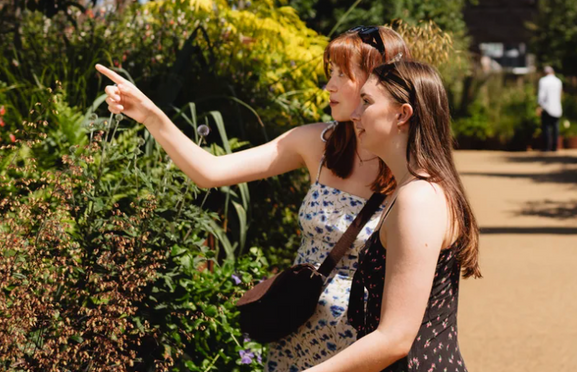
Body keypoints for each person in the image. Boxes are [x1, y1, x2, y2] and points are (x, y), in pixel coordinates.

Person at [96, 25, 408, 371]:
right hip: (294, 339)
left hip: (359, 354)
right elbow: (210, 172)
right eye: (330, 73)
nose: (329, 86)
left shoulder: (412, 174)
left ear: (377, 83)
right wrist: (150, 115)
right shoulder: (315, 142)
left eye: (342, 75)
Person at [306, 60, 481, 372]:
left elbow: (396, 337)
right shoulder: (417, 189)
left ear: (402, 114)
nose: (355, 114)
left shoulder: (418, 199)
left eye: (367, 102)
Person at [536, 65, 563, 152]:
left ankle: (546, 147)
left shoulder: (543, 81)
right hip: (557, 108)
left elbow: (541, 96)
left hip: (546, 107)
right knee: (555, 128)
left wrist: (539, 106)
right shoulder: (558, 81)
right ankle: (555, 147)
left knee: (546, 127)